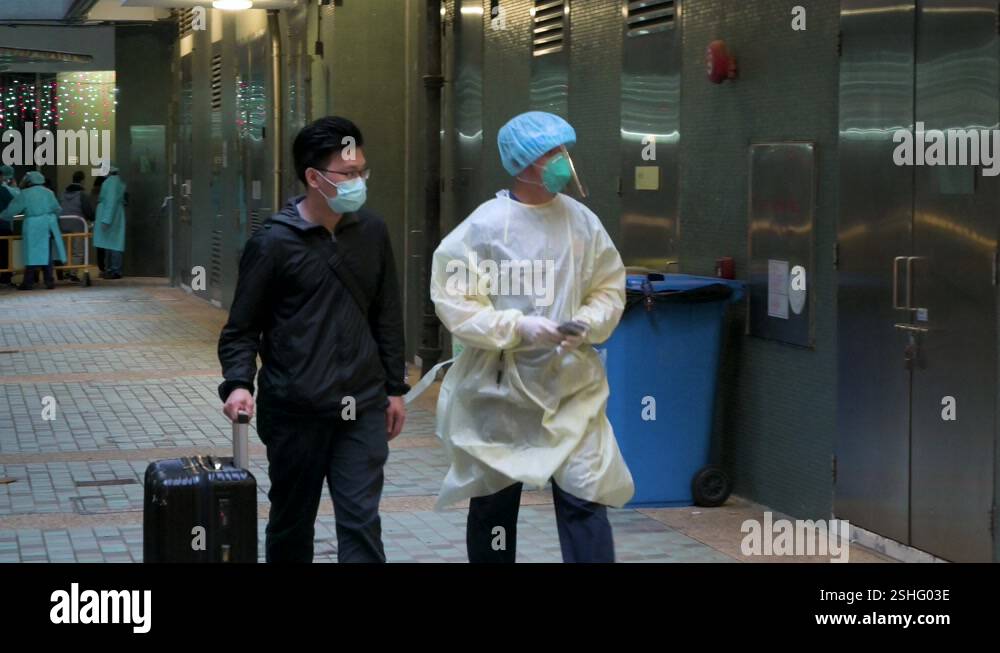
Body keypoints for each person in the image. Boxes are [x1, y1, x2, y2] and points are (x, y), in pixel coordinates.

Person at [429, 111, 634, 563]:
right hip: (501, 390)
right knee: (495, 505)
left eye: (565, 151)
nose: (565, 162)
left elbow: (608, 286)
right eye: (553, 154)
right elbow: (456, 300)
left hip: (569, 388)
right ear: (524, 162)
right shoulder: (485, 227)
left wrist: (585, 321)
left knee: (584, 495)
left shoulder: (581, 222)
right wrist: (517, 327)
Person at [218, 116, 409, 563]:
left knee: (361, 522)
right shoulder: (273, 243)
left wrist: (394, 389)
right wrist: (239, 383)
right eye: (348, 174)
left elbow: (387, 317)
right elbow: (242, 329)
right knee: (291, 522)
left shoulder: (373, 232)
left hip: (360, 406)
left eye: (363, 171)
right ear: (313, 177)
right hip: (295, 411)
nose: (359, 181)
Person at [0, 171, 67, 291]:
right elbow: (57, 209)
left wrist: (3, 216)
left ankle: (28, 282)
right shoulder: (49, 193)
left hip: (31, 226)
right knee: (46, 253)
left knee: (31, 254)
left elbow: (13, 209)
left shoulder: (25, 194)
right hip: (46, 225)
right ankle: (49, 280)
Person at [58, 171, 95, 283]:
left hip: (62, 224)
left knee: (66, 249)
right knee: (77, 251)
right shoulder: (82, 195)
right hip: (78, 224)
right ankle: (73, 274)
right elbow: (88, 211)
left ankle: (65, 271)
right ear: (83, 181)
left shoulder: (62, 194)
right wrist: (92, 219)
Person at [93, 166, 126, 279]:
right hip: (115, 215)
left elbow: (110, 202)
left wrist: (106, 219)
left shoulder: (111, 183)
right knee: (113, 243)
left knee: (113, 243)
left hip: (111, 217)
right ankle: (112, 269)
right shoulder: (115, 181)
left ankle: (114, 270)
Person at [0, 165, 17, 286]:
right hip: (3, 226)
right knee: (5, 254)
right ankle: (6, 278)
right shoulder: (4, 190)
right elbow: (16, 203)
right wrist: (14, 187)